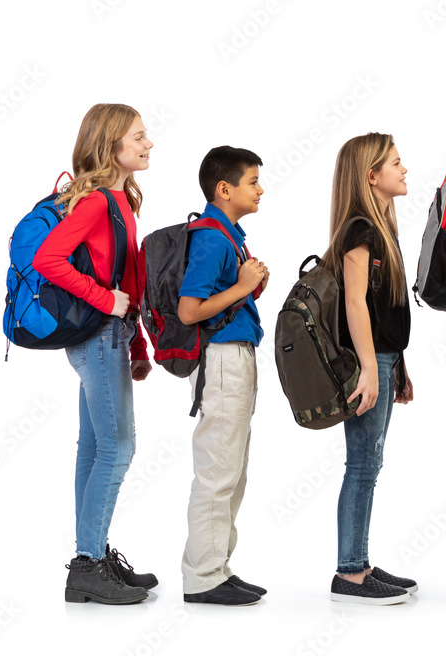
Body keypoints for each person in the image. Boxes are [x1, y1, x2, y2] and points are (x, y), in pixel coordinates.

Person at [33, 103, 157, 604]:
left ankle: (94, 555)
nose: (149, 144)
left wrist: (139, 344)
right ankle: (86, 565)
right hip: (98, 337)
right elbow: (48, 259)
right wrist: (107, 303)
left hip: (110, 339)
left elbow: (129, 282)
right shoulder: (97, 202)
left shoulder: (119, 201)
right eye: (139, 137)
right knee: (118, 449)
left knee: (94, 449)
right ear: (111, 145)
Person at [321, 133, 416, 605]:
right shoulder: (360, 229)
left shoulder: (381, 227)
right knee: (362, 464)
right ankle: (350, 572)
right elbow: (355, 306)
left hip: (383, 357)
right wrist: (369, 368)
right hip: (368, 359)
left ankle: (358, 560)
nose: (405, 170)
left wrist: (397, 365)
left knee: (369, 463)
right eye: (396, 163)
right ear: (370, 176)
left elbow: (386, 308)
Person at [177, 146, 269, 606]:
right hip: (221, 359)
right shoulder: (213, 236)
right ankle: (202, 577)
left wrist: (245, 286)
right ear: (224, 189)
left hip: (236, 356)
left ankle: (218, 567)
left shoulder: (230, 234)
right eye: (253, 181)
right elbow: (189, 310)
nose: (260, 189)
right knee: (217, 470)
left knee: (233, 470)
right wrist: (243, 287)